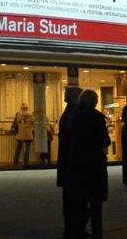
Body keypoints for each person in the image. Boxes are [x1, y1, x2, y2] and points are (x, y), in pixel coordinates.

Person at [66, 89, 110, 239]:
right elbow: (105, 141)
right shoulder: (97, 117)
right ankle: (97, 232)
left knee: (80, 200)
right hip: (94, 163)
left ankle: (79, 230)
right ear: (93, 101)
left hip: (78, 162)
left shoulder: (73, 116)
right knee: (96, 202)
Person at [57, 87, 83, 239]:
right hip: (72, 161)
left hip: (68, 160)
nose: (64, 95)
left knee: (70, 196)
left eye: (66, 93)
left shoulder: (70, 112)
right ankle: (74, 228)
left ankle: (71, 228)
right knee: (75, 196)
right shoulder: (75, 112)